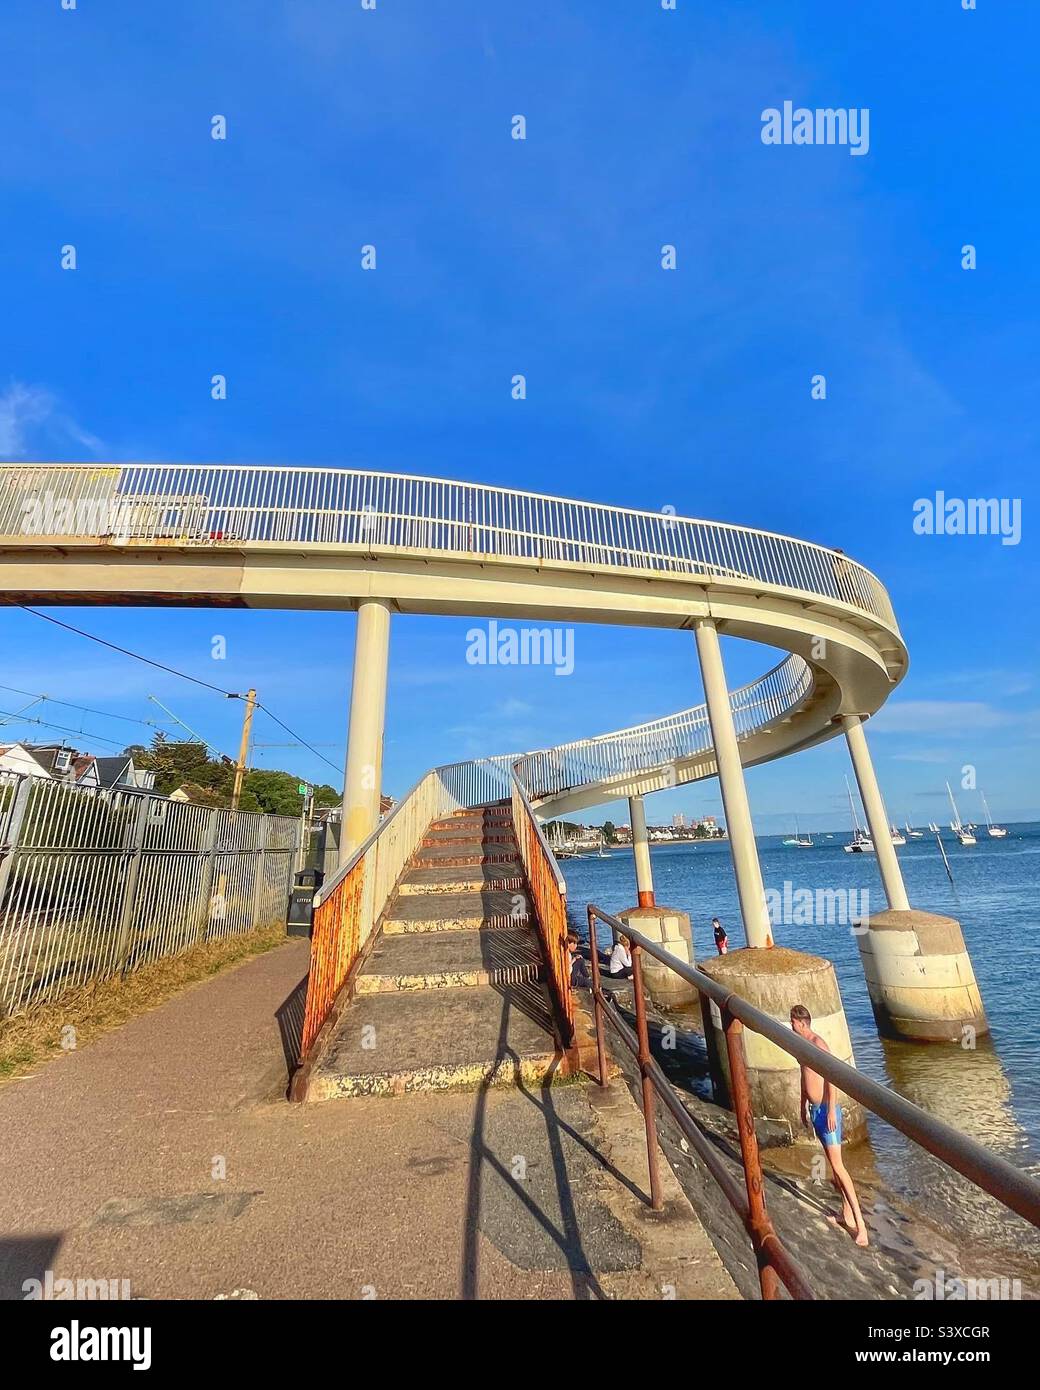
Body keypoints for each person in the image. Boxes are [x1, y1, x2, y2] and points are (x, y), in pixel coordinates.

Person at [790, 1003, 869, 1248]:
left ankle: (861, 1225)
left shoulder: (817, 1044)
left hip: (828, 1112)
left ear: (802, 1023)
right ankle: (844, 1214)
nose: (791, 1027)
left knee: (839, 1167)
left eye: (793, 1023)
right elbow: (805, 1076)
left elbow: (831, 1076)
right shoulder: (801, 1047)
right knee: (834, 1168)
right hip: (815, 1111)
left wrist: (832, 1109)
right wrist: (804, 1104)